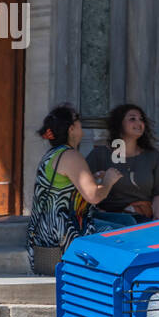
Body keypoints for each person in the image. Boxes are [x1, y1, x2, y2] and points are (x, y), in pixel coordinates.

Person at [27, 104, 125, 275]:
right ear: (72, 128)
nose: (82, 127)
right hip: (64, 232)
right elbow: (94, 196)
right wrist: (109, 181)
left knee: (126, 221)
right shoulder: (71, 155)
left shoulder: (52, 154)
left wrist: (94, 179)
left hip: (45, 230)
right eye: (78, 122)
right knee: (127, 232)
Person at [86, 103, 159, 223]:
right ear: (119, 124)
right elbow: (83, 188)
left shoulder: (152, 156)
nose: (139, 123)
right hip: (109, 220)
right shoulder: (100, 154)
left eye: (141, 119)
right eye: (132, 119)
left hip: (143, 218)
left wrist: (158, 214)